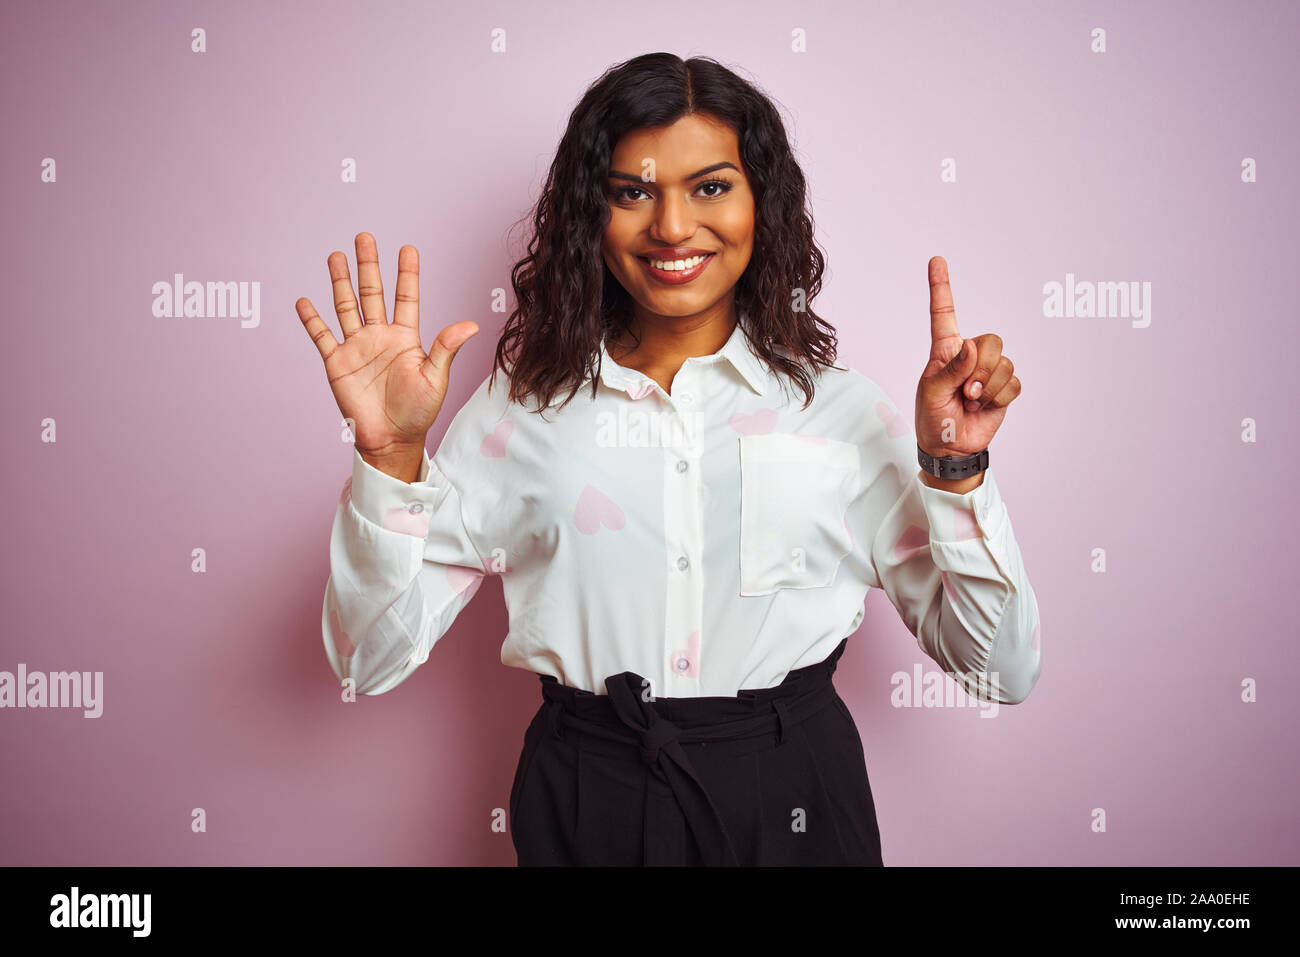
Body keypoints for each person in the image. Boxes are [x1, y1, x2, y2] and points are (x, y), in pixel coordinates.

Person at [296, 53, 1041, 867]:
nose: (673, 227)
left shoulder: (843, 412)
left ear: (764, 202)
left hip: (794, 795)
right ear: (593, 213)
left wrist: (954, 469)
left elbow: (1001, 671)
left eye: (711, 186)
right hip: (589, 797)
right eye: (633, 191)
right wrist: (392, 455)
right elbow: (363, 663)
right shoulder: (523, 408)